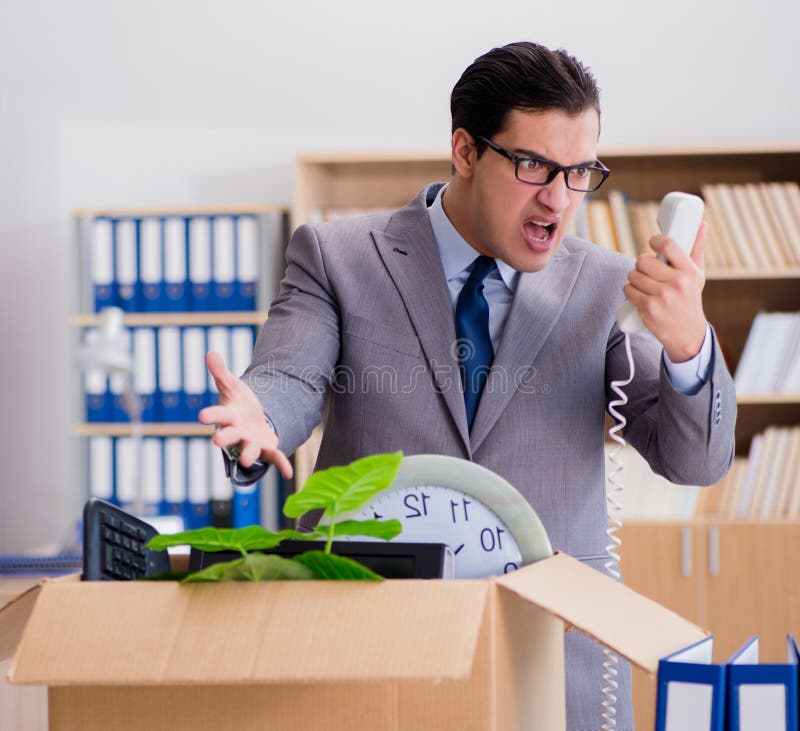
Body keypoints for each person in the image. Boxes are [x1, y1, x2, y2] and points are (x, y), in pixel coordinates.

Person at [200, 41, 736, 731]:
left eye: (579, 172)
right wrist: (260, 415)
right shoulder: (338, 256)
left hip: (551, 670)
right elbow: (290, 376)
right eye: (534, 164)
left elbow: (695, 459)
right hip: (373, 663)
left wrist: (689, 343)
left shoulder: (603, 286)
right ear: (465, 151)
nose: (558, 198)